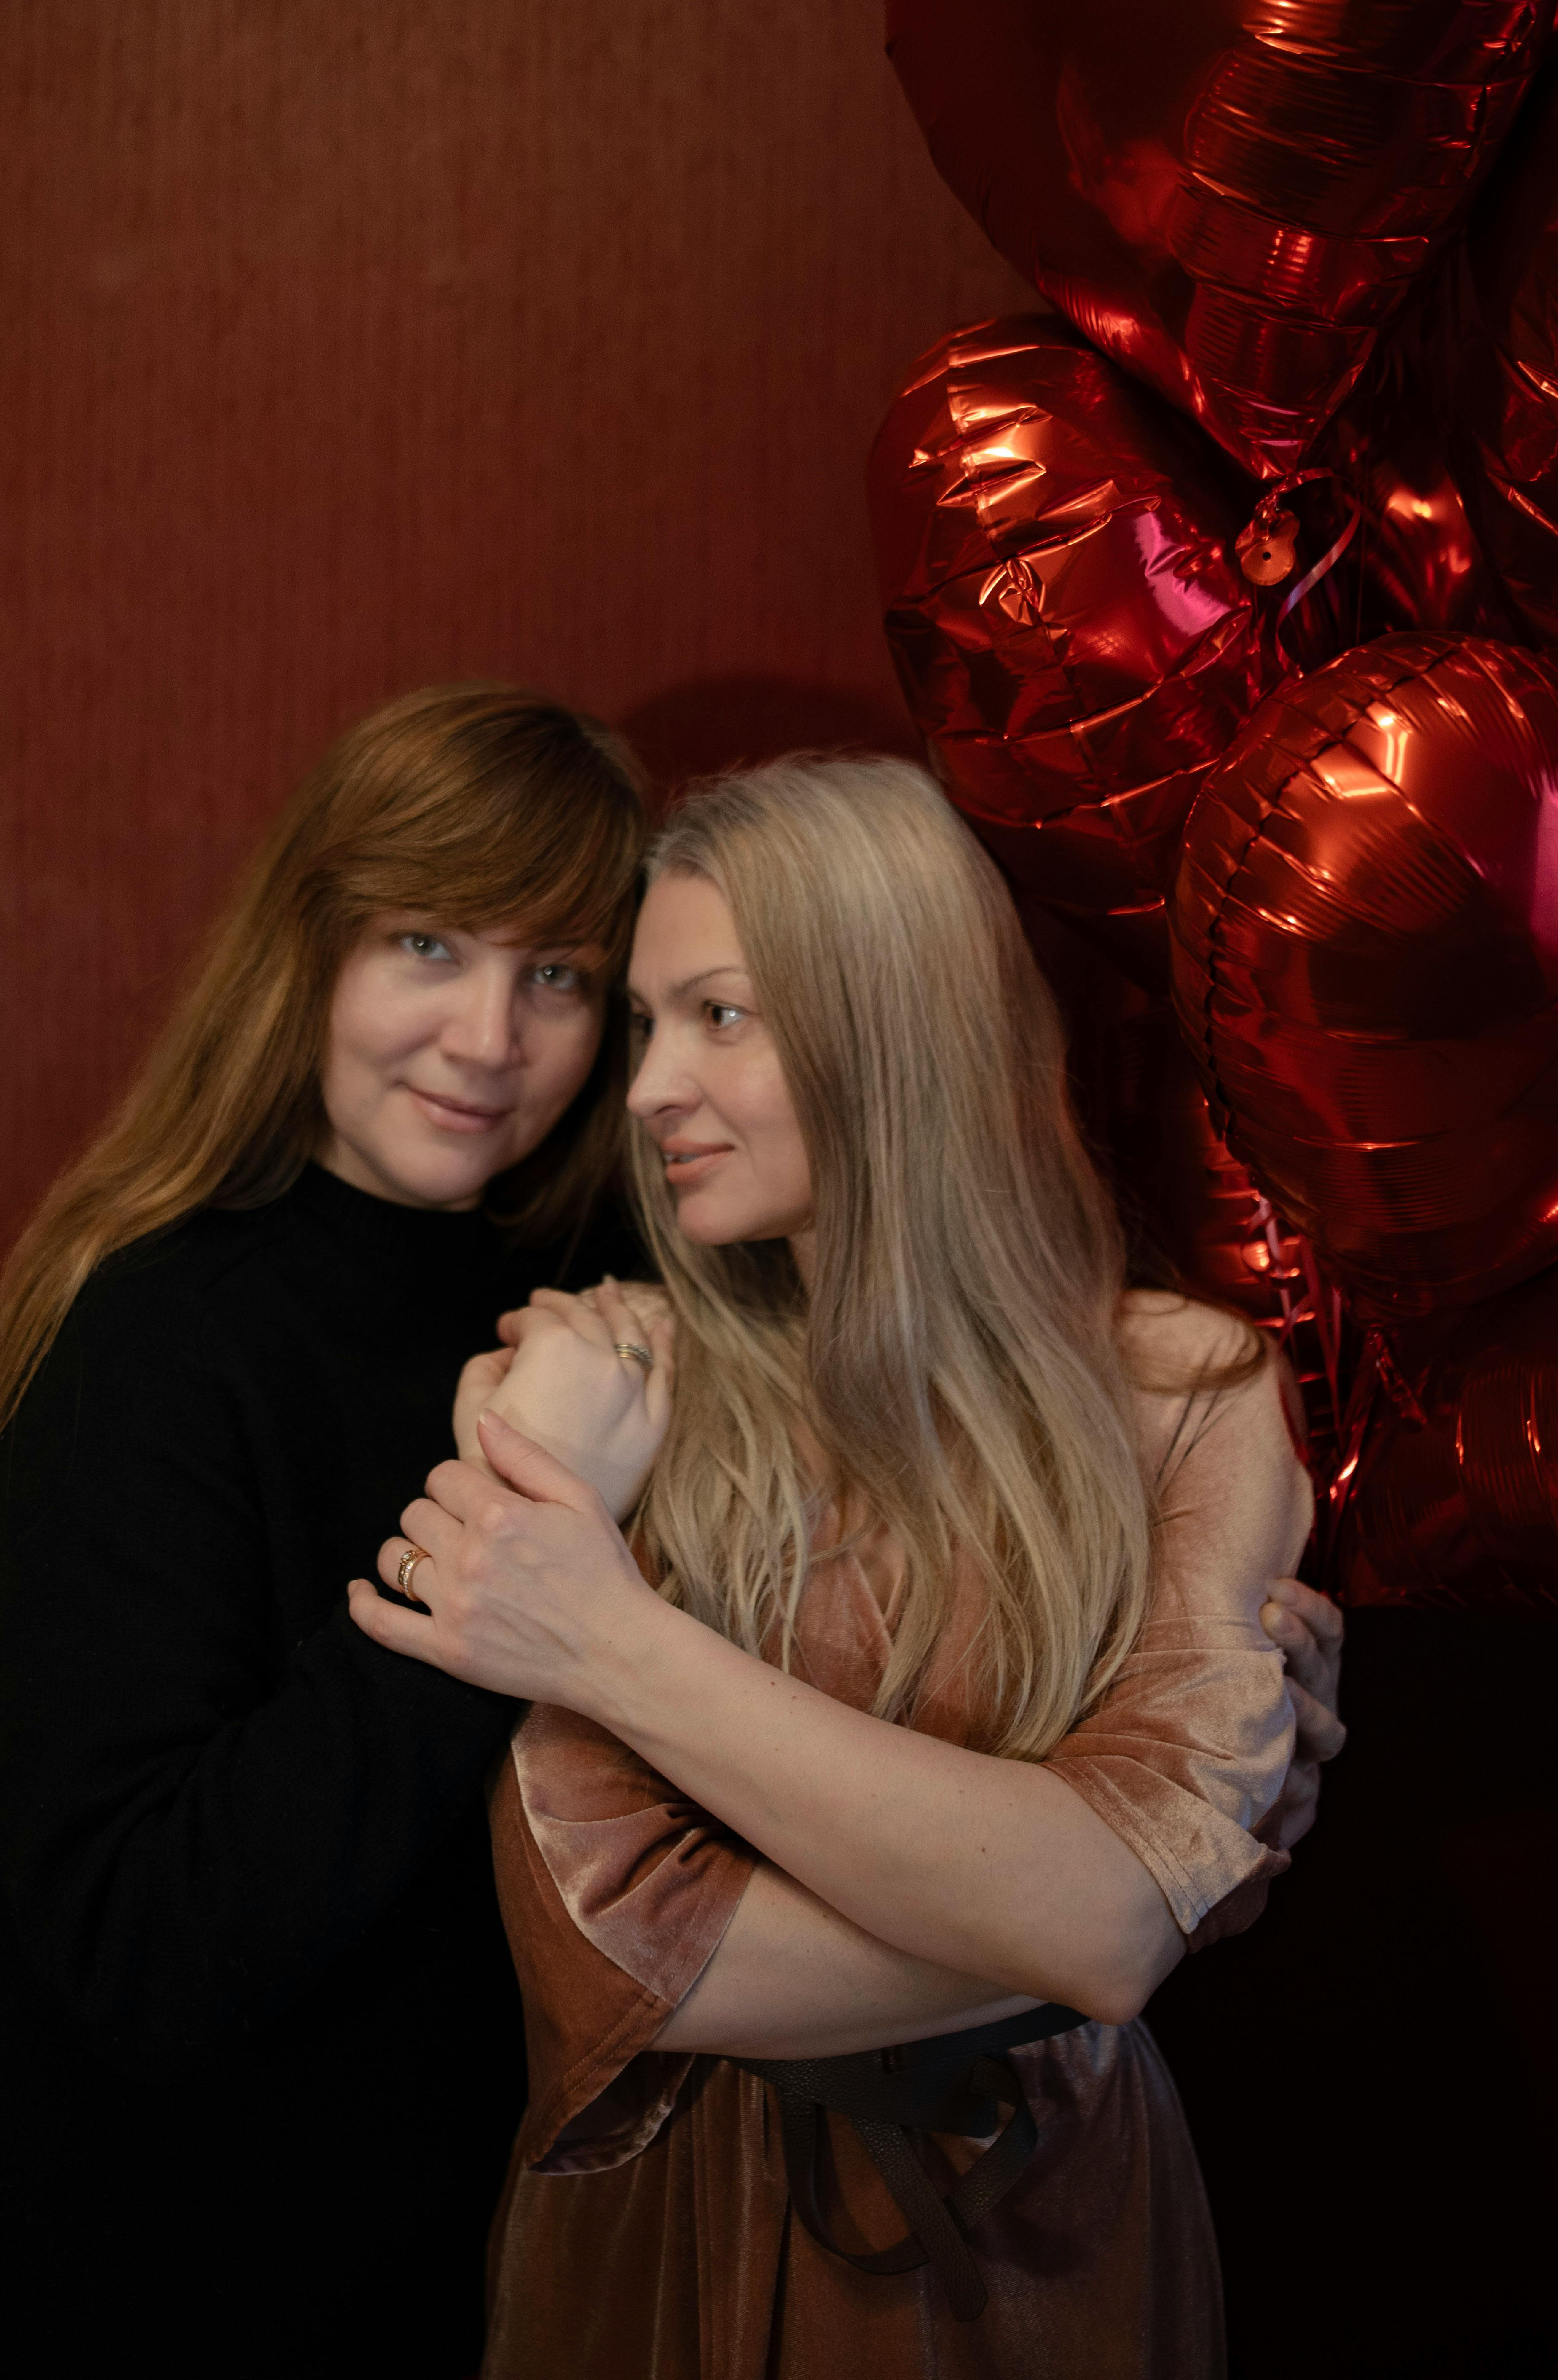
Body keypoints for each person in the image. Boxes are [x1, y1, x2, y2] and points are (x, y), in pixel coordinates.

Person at [352, 753, 1345, 2380]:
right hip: (674, 2230)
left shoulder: (1191, 1393)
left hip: (1063, 2244)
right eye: (648, 1024)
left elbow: (1104, 1926)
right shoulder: (598, 1382)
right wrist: (1097, 1887)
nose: (650, 1086)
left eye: (720, 1017)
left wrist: (605, 1640)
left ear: (898, 1024)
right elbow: (611, 1954)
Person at [0, 682, 665, 2380]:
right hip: (140, 2290)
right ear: (307, 949)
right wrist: (516, 1538)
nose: (484, 1042)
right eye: (427, 945)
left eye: (557, 977)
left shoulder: (602, 1303)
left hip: (452, 2281)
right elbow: (141, 1941)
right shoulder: (155, 1340)